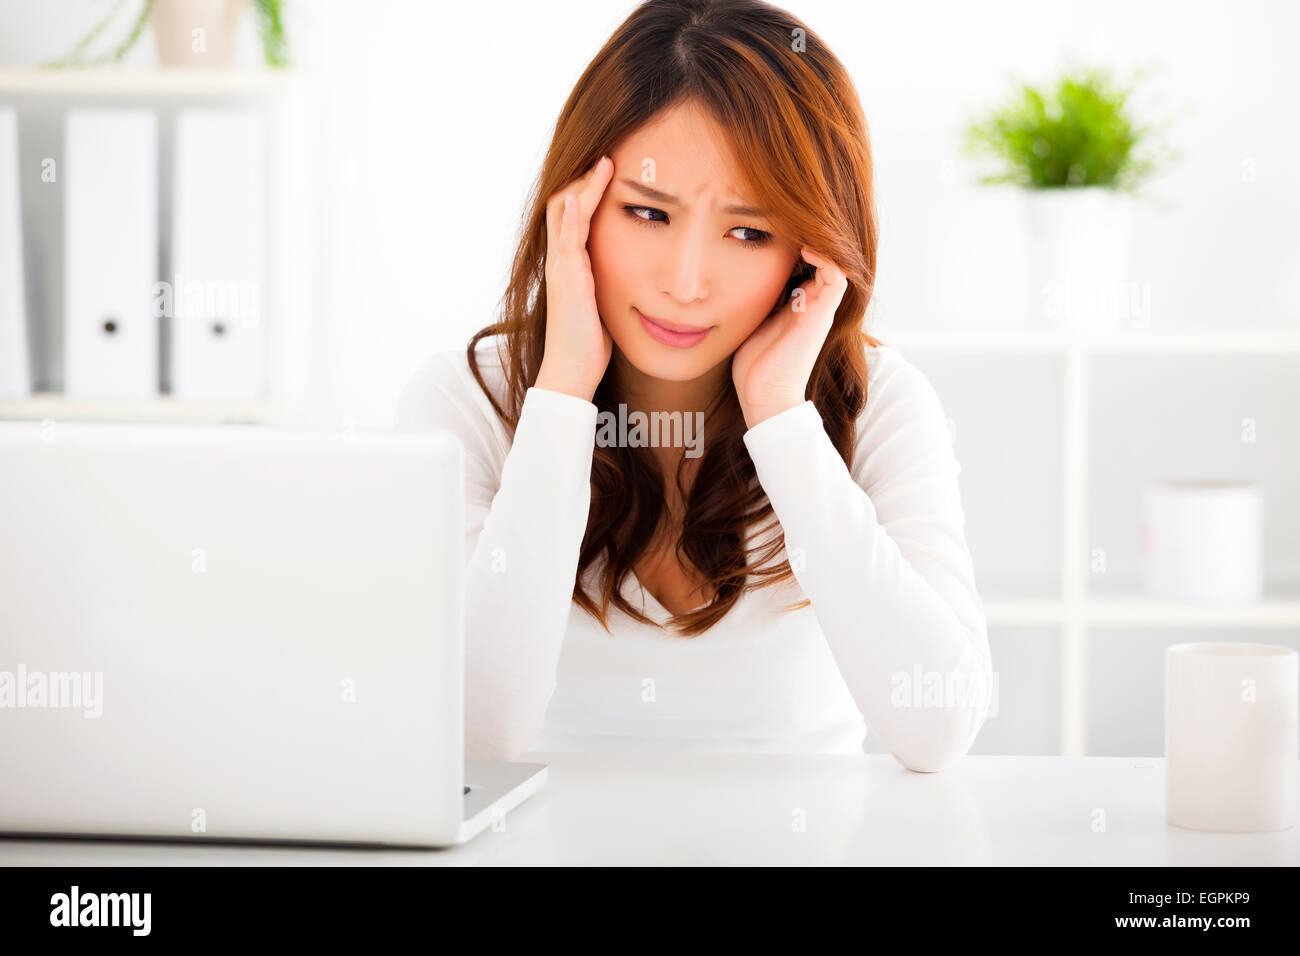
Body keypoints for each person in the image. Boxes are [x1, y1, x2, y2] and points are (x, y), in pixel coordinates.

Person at [395, 0, 993, 771]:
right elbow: (472, 740)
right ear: (574, 208)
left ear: (814, 253)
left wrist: (781, 418)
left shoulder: (879, 406)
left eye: (749, 232)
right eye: (647, 212)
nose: (684, 283)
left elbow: (937, 728)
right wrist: (562, 398)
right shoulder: (467, 402)